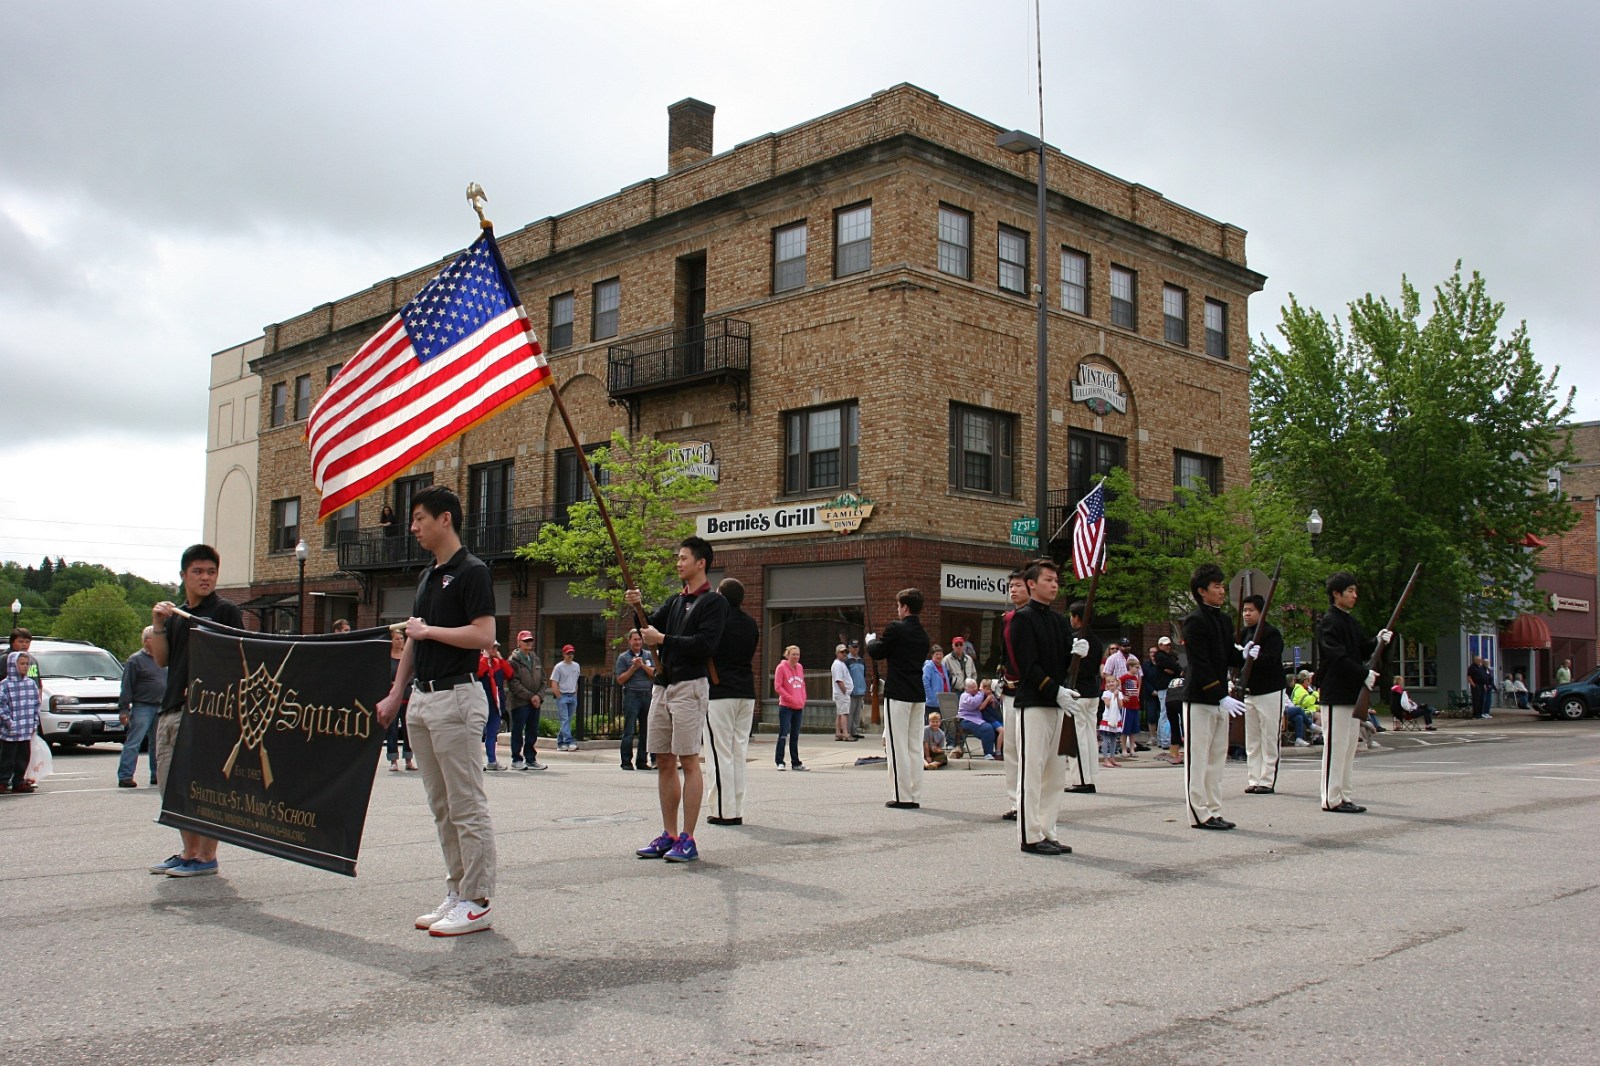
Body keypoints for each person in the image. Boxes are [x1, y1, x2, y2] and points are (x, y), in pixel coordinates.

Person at [376, 487, 499, 936]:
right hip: (422, 701)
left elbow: (484, 635)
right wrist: (395, 694)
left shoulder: (473, 572)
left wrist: (429, 631)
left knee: (466, 804)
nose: (413, 527)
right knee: (442, 806)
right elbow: (413, 638)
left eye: (420, 518)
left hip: (457, 698)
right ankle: (457, 890)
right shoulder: (428, 576)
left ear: (445, 519)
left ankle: (477, 898)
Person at [626, 536, 730, 864]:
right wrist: (637, 607)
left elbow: (706, 645)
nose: (678, 562)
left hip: (690, 686)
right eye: (678, 557)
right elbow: (648, 628)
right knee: (664, 760)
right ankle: (669, 835)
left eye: (684, 558)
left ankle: (688, 837)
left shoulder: (714, 603)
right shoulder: (674, 601)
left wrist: (665, 639)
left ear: (701, 562)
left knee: (688, 759)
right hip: (663, 685)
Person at [149, 544, 244, 878]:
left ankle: (206, 857)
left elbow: (235, 658)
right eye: (198, 572)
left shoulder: (225, 611)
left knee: (204, 786)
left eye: (211, 572)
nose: (205, 578)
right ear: (183, 575)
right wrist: (159, 624)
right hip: (171, 708)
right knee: (171, 786)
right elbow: (162, 659)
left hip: (207, 713)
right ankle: (188, 852)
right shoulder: (175, 615)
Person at [1008, 558, 1077, 855]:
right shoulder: (1022, 618)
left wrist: (1077, 655)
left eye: (1056, 580)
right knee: (1032, 770)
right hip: (1034, 702)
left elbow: (1061, 664)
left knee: (1054, 773)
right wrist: (1054, 689)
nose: (1054, 585)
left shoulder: (1059, 620)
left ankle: (1048, 829)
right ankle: (1030, 834)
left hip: (1056, 703)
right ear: (1032, 584)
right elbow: (1028, 665)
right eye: (1048, 580)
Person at [1316, 571, 1393, 813]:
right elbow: (1337, 656)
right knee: (1335, 747)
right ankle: (1331, 797)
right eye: (1350, 591)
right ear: (1335, 594)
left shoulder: (1350, 622)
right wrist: (1362, 674)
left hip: (1350, 692)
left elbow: (1359, 650)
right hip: (1335, 692)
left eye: (1354, 591)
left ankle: (1343, 794)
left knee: (1349, 748)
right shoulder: (1328, 622)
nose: (1354, 595)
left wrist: (1378, 641)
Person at [1182, 563, 1246, 831]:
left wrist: (1244, 654)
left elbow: (1226, 656)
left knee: (1217, 758)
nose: (1221, 591)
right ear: (1202, 591)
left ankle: (1214, 808)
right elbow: (1201, 662)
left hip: (1220, 698)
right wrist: (1219, 693)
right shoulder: (1195, 621)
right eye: (1216, 586)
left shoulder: (1223, 619)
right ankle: (1198, 812)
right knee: (1198, 759)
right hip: (1200, 697)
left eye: (1222, 585)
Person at [867, 588, 931, 810]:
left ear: (904, 607)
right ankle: (914, 793)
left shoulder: (896, 628)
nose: (898, 610)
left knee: (897, 746)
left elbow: (879, 651)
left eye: (898, 606)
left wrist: (870, 641)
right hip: (917, 694)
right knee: (914, 746)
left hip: (898, 695)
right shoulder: (923, 634)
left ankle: (901, 795)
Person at [704, 576, 758, 825]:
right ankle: (736, 808)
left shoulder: (717, 622)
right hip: (746, 691)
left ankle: (723, 811)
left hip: (720, 691)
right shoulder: (751, 623)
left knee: (719, 752)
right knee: (738, 752)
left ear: (720, 596)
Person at [1239, 594, 1287, 795]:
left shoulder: (1271, 633)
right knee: (1252, 739)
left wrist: (1258, 657)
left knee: (1269, 737)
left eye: (1251, 610)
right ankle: (1254, 777)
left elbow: (1272, 659)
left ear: (1261, 612)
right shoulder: (1243, 634)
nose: (1246, 614)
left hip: (1270, 690)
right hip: (1250, 692)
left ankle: (1266, 780)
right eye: (1244, 610)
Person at [116, 626, 166, 788]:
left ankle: (156, 775)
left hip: (161, 706)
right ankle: (125, 776)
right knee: (134, 742)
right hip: (142, 706)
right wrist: (124, 709)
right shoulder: (135, 660)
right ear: (146, 641)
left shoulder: (163, 659)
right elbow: (126, 686)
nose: (160, 641)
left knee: (157, 744)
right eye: (156, 638)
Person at [1063, 602, 1104, 794]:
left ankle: (1081, 779)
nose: (1071, 619)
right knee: (1089, 736)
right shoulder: (1096, 640)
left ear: (1078, 617)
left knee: (1077, 737)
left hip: (1078, 692)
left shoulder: (1076, 639)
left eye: (1072, 616)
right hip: (1092, 693)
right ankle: (1090, 777)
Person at [998, 568, 1028, 821]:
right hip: (1010, 691)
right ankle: (1016, 800)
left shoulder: (1040, 618)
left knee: (1031, 752)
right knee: (1011, 749)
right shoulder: (1007, 619)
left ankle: (1031, 801)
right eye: (1011, 586)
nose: (1013, 590)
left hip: (1033, 693)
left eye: (1018, 585)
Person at [0, 651, 41, 793]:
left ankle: (19, 781)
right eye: (21, 664)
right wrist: (9, 723)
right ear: (13, 665)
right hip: (10, 731)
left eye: (27, 664)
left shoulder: (30, 684)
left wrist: (34, 723)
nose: (25, 666)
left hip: (26, 729)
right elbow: (2, 706)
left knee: (23, 758)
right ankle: (3, 781)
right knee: (7, 759)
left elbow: (37, 704)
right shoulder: (5, 685)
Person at [614, 630, 655, 770]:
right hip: (632, 696)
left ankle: (642, 761)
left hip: (647, 695)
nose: (637, 642)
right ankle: (626, 761)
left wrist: (642, 665)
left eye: (639, 640)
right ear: (629, 641)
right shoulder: (623, 658)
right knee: (629, 730)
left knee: (646, 731)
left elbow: (655, 674)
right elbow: (620, 679)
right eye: (635, 640)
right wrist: (633, 667)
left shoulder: (648, 655)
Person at [506, 630, 547, 771]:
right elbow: (513, 684)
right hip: (520, 702)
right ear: (519, 642)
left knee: (532, 731)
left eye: (530, 640)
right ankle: (516, 759)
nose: (529, 643)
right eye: (525, 640)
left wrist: (539, 696)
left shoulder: (535, 659)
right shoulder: (513, 661)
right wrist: (530, 696)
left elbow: (543, 679)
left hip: (535, 702)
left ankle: (531, 759)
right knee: (518, 730)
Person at [477, 641, 513, 770]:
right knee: (477, 735)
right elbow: (479, 673)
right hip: (481, 703)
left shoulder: (497, 663)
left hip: (495, 704)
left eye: (496, 647)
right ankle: (476, 762)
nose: (494, 649)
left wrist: (501, 659)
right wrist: (485, 657)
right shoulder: (479, 660)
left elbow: (509, 673)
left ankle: (492, 761)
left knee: (492, 734)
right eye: (492, 647)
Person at [385, 628, 416, 771]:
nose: (400, 641)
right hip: (393, 696)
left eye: (401, 638)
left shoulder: (408, 656)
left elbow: (413, 675)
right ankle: (393, 760)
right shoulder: (387, 658)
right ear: (391, 641)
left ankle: (408, 759)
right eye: (397, 638)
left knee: (408, 729)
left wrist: (403, 682)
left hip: (408, 695)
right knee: (391, 730)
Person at [773, 645, 808, 771]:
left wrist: (803, 699)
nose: (796, 657)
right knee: (783, 734)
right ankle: (779, 761)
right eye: (793, 654)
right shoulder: (781, 668)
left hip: (798, 706)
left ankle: (796, 762)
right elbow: (778, 687)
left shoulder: (799, 667)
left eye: (798, 654)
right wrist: (790, 698)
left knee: (795, 735)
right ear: (787, 655)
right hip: (786, 706)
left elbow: (802, 685)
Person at [1153, 636, 1184, 764]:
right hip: (1165, 688)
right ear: (1160, 645)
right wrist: (1175, 668)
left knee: (1178, 719)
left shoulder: (1172, 655)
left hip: (1175, 689)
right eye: (1165, 645)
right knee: (1165, 713)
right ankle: (1164, 740)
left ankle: (1176, 746)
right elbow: (1175, 667)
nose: (1168, 647)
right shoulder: (1159, 656)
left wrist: (1175, 669)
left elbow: (1177, 667)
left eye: (1169, 645)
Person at [957, 677, 1000, 759]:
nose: (974, 689)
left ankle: (998, 753)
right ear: (966, 688)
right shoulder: (965, 696)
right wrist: (982, 693)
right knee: (987, 728)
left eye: (975, 687)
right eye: (972, 687)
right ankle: (988, 753)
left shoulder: (977, 695)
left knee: (997, 728)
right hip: (966, 720)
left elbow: (994, 703)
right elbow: (974, 703)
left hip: (979, 719)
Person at [549, 644, 581, 751]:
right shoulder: (559, 667)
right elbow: (554, 683)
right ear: (563, 654)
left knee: (567, 720)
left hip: (572, 695)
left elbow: (576, 681)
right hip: (563, 695)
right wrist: (559, 696)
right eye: (568, 653)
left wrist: (575, 693)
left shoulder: (576, 666)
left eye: (572, 653)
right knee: (564, 719)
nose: (570, 656)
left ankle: (560, 742)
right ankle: (569, 741)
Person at [1286, 670, 1318, 746]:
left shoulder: (1303, 689)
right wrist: (1315, 694)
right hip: (1285, 711)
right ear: (1305, 680)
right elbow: (1307, 702)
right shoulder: (1300, 690)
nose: (1310, 682)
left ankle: (1299, 739)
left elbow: (1289, 703)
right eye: (1309, 680)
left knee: (1299, 717)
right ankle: (1314, 732)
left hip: (1292, 710)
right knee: (1299, 709)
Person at [830, 643, 855, 741]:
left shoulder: (841, 663)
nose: (844, 654)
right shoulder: (837, 665)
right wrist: (845, 690)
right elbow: (838, 679)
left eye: (845, 652)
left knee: (840, 713)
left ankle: (838, 733)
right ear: (837, 653)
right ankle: (845, 733)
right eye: (841, 652)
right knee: (844, 713)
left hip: (841, 693)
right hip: (842, 693)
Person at [1117, 656, 1141, 758]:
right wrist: (1122, 696)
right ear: (1130, 667)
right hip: (1127, 706)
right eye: (1136, 667)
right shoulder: (1124, 678)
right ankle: (1123, 748)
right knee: (1125, 729)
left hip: (1135, 705)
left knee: (1133, 729)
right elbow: (1117, 688)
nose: (1137, 669)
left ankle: (1132, 748)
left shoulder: (1135, 678)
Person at [846, 640, 869, 739]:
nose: (855, 649)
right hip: (851, 690)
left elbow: (863, 675)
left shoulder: (861, 661)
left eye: (857, 647)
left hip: (860, 689)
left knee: (857, 712)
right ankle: (848, 730)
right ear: (849, 648)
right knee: (850, 712)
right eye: (853, 647)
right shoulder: (847, 661)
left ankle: (854, 730)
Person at [922, 644, 949, 722]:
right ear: (932, 655)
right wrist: (931, 697)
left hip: (942, 702)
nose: (939, 656)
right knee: (931, 725)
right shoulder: (928, 667)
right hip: (932, 703)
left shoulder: (943, 667)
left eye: (940, 654)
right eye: (936, 654)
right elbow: (925, 682)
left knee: (940, 726)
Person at [1098, 686, 1123, 768]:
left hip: (1116, 718)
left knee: (1113, 740)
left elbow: (1120, 706)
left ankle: (1112, 758)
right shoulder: (1106, 693)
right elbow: (1108, 705)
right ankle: (1105, 759)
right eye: (1109, 682)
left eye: (1113, 681)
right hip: (1107, 718)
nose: (1111, 683)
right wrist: (1114, 696)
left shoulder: (1119, 693)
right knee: (1106, 740)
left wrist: (1118, 696)